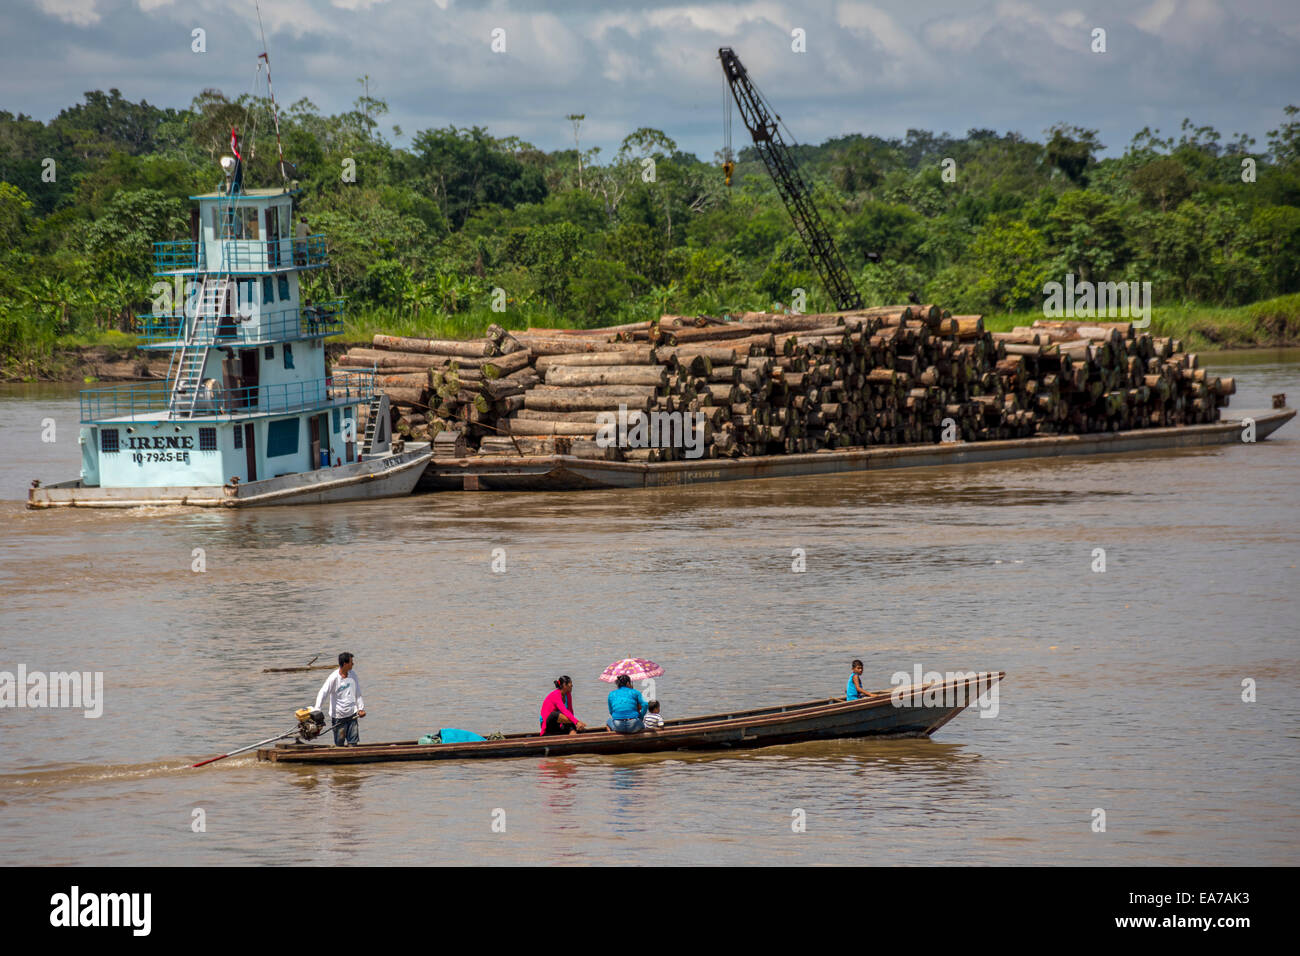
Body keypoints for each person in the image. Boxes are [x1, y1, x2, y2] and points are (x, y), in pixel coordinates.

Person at [315, 652, 365, 746]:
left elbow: (357, 692)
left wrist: (361, 708)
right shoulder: (333, 678)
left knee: (353, 743)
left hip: (352, 714)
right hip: (339, 716)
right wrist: (317, 709)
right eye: (351, 662)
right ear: (345, 664)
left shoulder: (352, 675)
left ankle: (353, 757)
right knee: (339, 743)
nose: (353, 664)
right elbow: (323, 692)